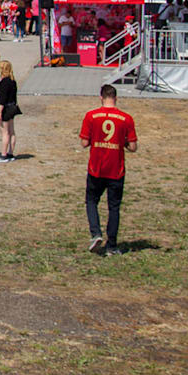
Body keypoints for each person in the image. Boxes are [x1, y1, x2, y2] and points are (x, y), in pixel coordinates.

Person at [80, 85, 138, 256]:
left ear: (101, 97)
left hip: (96, 167)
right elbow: (133, 146)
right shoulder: (126, 118)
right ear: (116, 98)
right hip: (116, 169)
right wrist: (123, 143)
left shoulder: (91, 116)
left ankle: (96, 233)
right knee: (114, 207)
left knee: (91, 200)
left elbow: (84, 143)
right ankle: (112, 245)